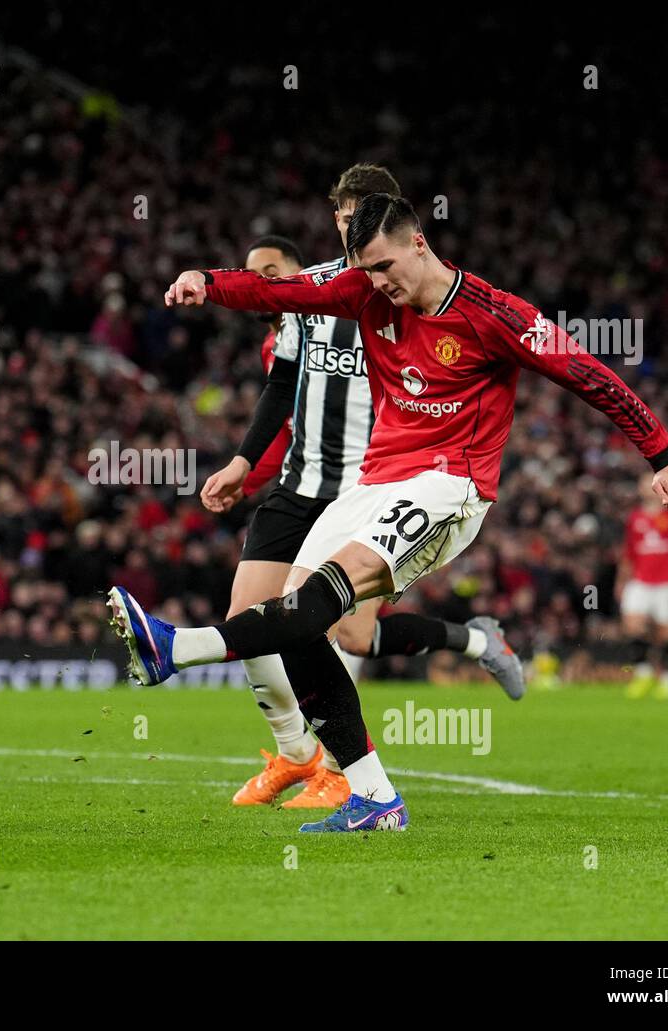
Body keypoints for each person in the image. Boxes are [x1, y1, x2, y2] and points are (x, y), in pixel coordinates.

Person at [110, 193, 668, 833]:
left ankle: (177, 648)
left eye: (386, 266)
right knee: (297, 623)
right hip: (373, 484)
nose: (380, 284)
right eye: (367, 271)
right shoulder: (364, 292)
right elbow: (285, 294)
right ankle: (375, 799)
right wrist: (208, 282)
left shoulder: (494, 315)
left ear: (419, 242)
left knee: (320, 607)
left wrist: (661, 453)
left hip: (449, 485)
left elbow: (586, 372)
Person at [213, 189, 522, 812]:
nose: (345, 223)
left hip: (367, 482)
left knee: (348, 635)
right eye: (337, 213)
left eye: (355, 214)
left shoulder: (399, 298)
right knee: (253, 611)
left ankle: (473, 644)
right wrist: (246, 461)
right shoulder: (316, 295)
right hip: (301, 483)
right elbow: (280, 387)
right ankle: (298, 758)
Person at [619, 473, 668, 700]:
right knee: (632, 623)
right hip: (640, 580)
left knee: (667, 631)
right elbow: (629, 554)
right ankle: (643, 672)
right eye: (644, 485)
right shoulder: (635, 518)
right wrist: (621, 581)